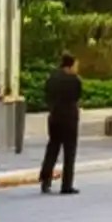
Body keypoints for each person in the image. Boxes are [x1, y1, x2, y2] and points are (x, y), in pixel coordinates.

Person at [39, 53, 82, 195]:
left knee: (52, 147)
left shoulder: (52, 78)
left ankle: (45, 179)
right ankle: (66, 184)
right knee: (69, 152)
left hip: (54, 117)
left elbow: (47, 95)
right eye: (76, 65)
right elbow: (77, 96)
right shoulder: (74, 80)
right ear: (69, 66)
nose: (77, 69)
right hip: (69, 118)